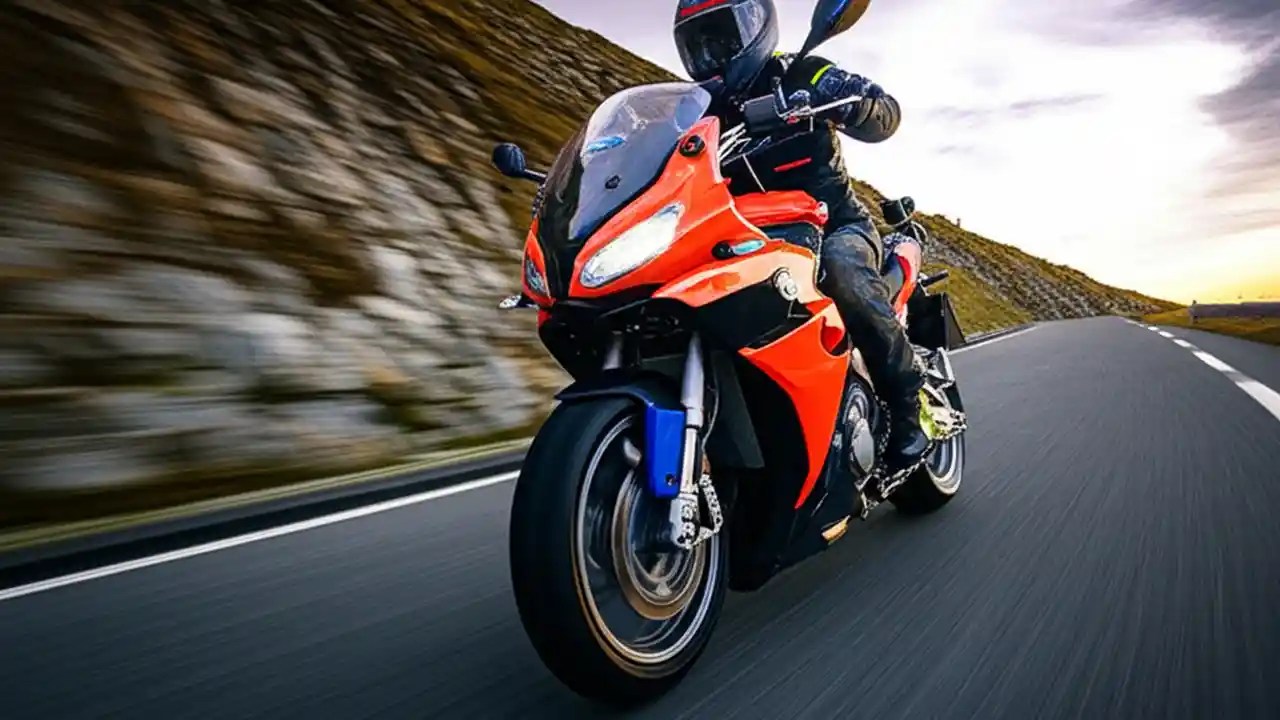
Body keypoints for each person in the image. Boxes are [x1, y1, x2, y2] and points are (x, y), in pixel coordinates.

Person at [673, 0, 929, 473]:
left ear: (756, 28)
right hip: (749, 242)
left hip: (834, 226)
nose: (713, 54)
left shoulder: (803, 75)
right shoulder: (697, 116)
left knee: (845, 272)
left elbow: (885, 113)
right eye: (699, 45)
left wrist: (854, 105)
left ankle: (908, 408)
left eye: (722, 38)